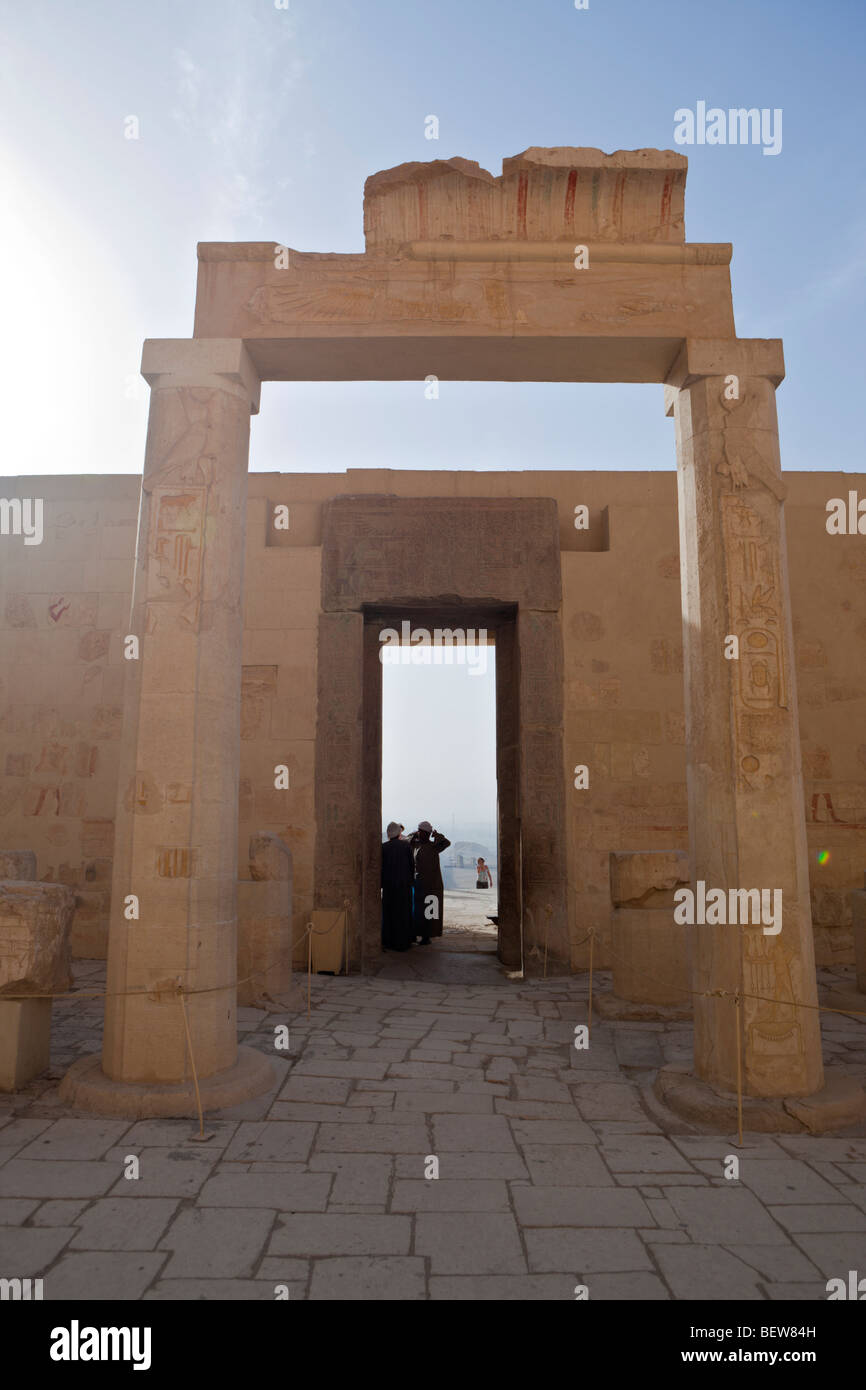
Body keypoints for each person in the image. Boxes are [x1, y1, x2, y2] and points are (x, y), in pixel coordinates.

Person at [411, 820, 451, 943]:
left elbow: (446, 842)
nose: (420, 834)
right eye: (419, 831)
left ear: (427, 833)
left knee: (429, 913)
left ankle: (426, 936)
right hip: (418, 883)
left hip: (432, 885)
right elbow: (406, 840)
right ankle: (415, 933)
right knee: (417, 911)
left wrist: (437, 835)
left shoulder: (434, 846)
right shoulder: (415, 845)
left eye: (422, 832)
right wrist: (414, 834)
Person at [381, 821, 414, 951]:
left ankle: (389, 941)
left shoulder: (384, 847)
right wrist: (411, 881)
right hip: (404, 886)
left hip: (389, 887)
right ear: (399, 833)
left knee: (389, 914)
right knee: (403, 914)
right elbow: (412, 866)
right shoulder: (406, 847)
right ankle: (403, 942)